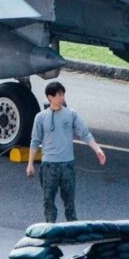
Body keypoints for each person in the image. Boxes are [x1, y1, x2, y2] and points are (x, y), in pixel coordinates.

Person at [25, 81, 106, 223]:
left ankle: (73, 226)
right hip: (48, 166)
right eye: (59, 95)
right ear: (50, 97)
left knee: (69, 200)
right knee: (48, 200)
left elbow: (85, 133)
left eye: (63, 94)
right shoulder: (41, 117)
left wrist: (97, 149)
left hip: (67, 165)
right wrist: (30, 164)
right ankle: (50, 226)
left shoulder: (71, 115)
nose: (62, 98)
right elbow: (35, 141)